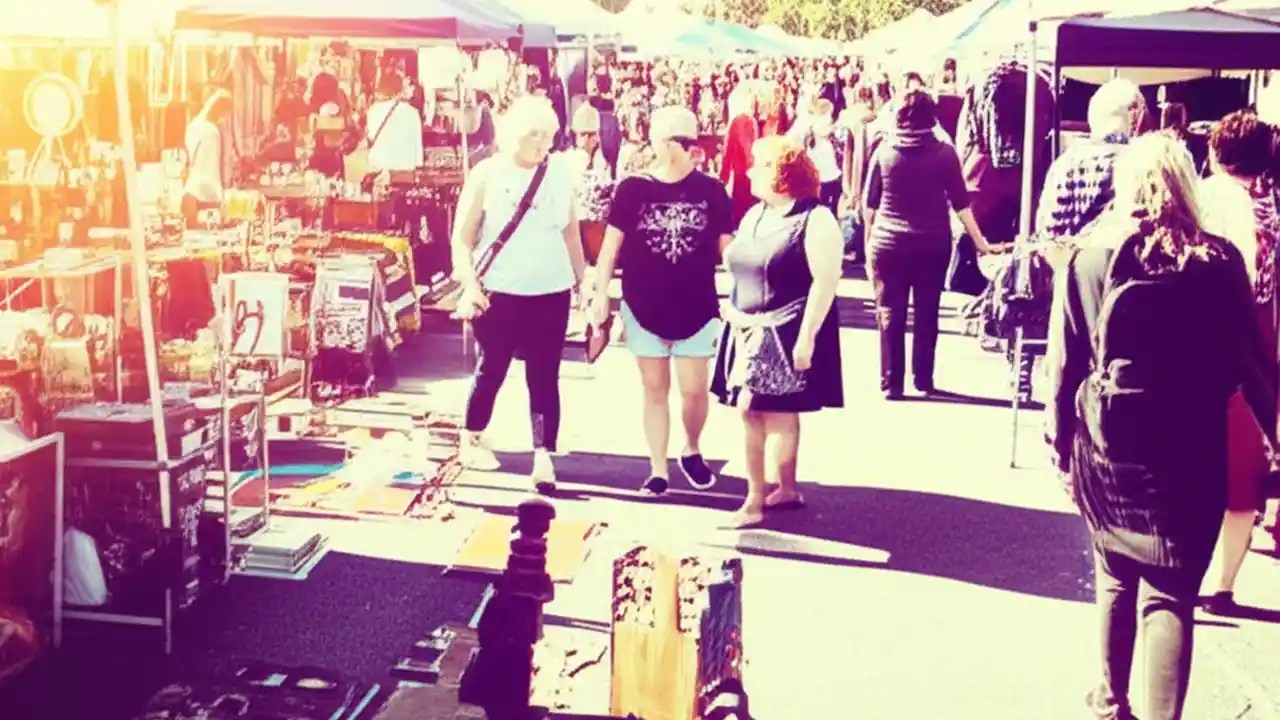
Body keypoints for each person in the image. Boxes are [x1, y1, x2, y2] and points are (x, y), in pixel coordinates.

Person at [1045, 132, 1276, 720]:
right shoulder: (1218, 260)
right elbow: (1252, 362)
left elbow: (1064, 358)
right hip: (1192, 447)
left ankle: (1109, 698)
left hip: (1106, 447)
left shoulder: (1089, 254)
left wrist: (1060, 442)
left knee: (1115, 573)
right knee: (1172, 591)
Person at [589, 106, 733, 497]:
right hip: (643, 303)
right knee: (653, 388)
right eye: (680, 142)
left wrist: (746, 288)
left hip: (697, 306)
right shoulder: (633, 188)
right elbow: (610, 247)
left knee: (694, 389)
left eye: (690, 142)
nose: (688, 150)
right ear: (662, 143)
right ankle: (657, 467)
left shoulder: (712, 190)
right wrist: (600, 293)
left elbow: (727, 247)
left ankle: (692, 447)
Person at [451, 96, 588, 493]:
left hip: (551, 288)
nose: (541, 143)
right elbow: (463, 236)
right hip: (499, 291)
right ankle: (472, 436)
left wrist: (584, 283)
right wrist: (470, 284)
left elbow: (570, 231)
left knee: (545, 375)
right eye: (533, 134)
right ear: (511, 134)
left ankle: (543, 455)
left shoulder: (559, 174)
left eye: (548, 135)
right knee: (492, 367)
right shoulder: (486, 174)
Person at [711, 136, 844, 528]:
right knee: (771, 414)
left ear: (780, 175)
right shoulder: (755, 214)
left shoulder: (816, 218)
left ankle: (754, 501)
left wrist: (807, 339)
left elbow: (825, 282)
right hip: (746, 328)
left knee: (754, 412)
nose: (750, 170)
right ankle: (786, 488)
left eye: (758, 164)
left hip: (785, 331)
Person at [862, 91, 1002, 399]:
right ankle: (923, 378)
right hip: (932, 244)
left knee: (889, 312)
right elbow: (961, 204)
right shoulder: (944, 154)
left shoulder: (884, 151)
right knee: (927, 311)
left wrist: (868, 244)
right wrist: (981, 243)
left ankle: (891, 382)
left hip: (888, 244)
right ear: (932, 118)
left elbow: (869, 205)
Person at [1198, 110, 1280, 615]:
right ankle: (1225, 584)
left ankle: (1191, 574)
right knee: (1243, 476)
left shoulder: (1207, 200)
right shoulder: (1272, 207)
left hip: (1213, 344)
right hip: (1265, 346)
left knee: (1199, 463)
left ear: (1215, 154)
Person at [1023, 79, 1149, 404]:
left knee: (1067, 374)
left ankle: (1064, 444)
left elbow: (1047, 230)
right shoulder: (1144, 164)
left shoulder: (1067, 163)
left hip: (1072, 280)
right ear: (1133, 116)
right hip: (1133, 288)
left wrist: (1067, 273)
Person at [182, 89, 233, 228]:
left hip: (191, 189)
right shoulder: (211, 131)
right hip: (208, 192)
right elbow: (212, 165)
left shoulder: (193, 125)